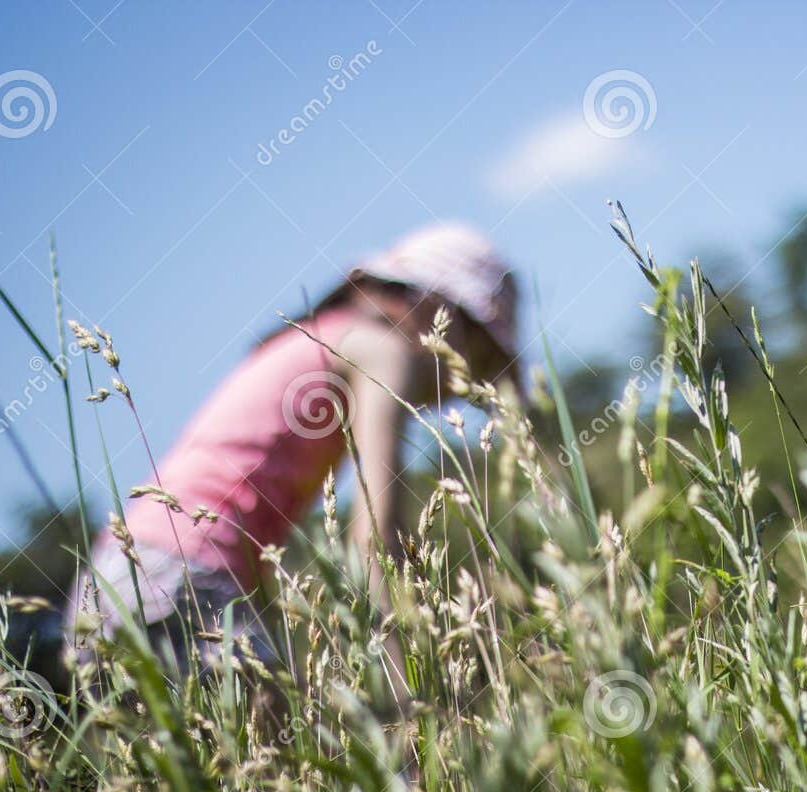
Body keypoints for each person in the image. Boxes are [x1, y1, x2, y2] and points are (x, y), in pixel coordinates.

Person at [67, 222, 519, 677]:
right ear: (437, 309)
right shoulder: (382, 350)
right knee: (278, 741)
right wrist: (407, 688)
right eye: (476, 362)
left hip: (113, 576)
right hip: (187, 577)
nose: (462, 392)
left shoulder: (314, 335)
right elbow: (376, 540)